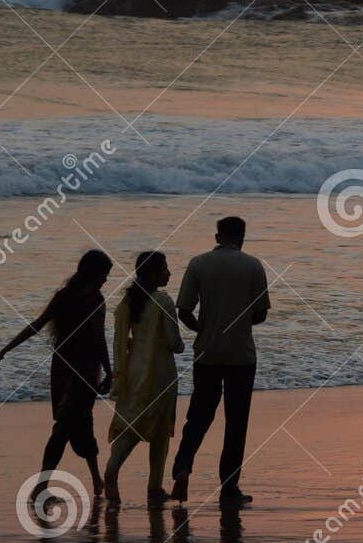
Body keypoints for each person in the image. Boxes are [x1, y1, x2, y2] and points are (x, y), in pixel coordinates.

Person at [0, 250, 113, 510]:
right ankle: (41, 487)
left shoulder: (64, 297)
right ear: (93, 273)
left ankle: (98, 482)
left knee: (78, 422)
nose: (106, 280)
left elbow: (36, 325)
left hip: (62, 369)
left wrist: (3, 352)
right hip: (84, 370)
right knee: (65, 428)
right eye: (104, 275)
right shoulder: (95, 300)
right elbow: (98, 340)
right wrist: (110, 371)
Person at [170, 216, 270, 509]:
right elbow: (262, 313)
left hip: (207, 354)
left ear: (217, 236)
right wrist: (238, 324)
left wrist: (204, 328)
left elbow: (184, 310)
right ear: (242, 237)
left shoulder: (198, 264)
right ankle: (229, 488)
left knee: (199, 416)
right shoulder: (253, 265)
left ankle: (183, 467)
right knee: (236, 423)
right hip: (241, 356)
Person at [104, 251, 184, 509]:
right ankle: (154, 486)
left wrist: (119, 372)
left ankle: (112, 471)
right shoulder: (164, 301)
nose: (169, 273)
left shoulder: (128, 301)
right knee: (160, 429)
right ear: (152, 273)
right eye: (164, 269)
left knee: (132, 422)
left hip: (134, 370)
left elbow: (118, 341)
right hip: (161, 372)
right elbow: (175, 343)